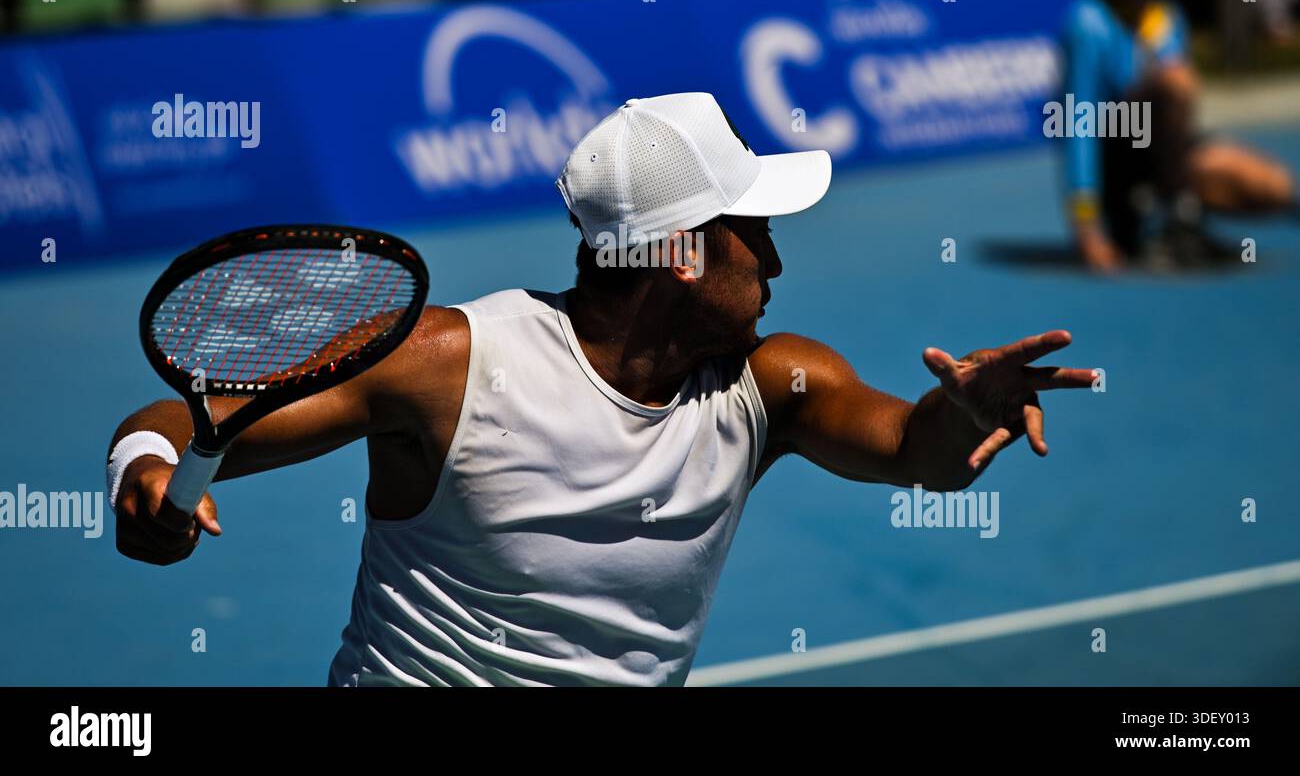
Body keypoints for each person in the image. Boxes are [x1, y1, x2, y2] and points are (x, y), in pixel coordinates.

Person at [109, 92, 1096, 686]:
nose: (777, 258)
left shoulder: (775, 383)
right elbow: (186, 416)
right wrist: (150, 468)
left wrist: (964, 408)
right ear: (676, 251)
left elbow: (912, 451)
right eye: (752, 228)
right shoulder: (453, 362)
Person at [1057, 0, 1295, 273]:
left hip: (1164, 161)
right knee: (1176, 80)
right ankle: (1167, 219)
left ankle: (1181, 210)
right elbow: (1078, 129)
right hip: (1118, 163)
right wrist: (1087, 228)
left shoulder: (1167, 16)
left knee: (1274, 186)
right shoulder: (1087, 21)